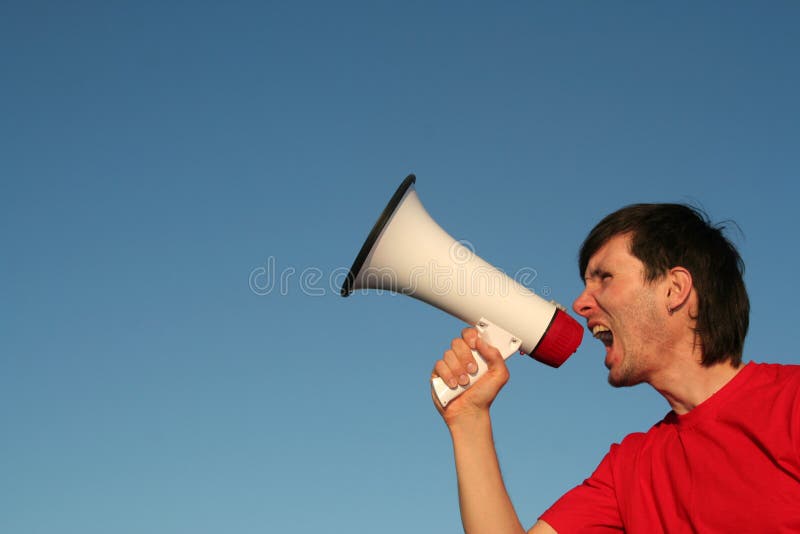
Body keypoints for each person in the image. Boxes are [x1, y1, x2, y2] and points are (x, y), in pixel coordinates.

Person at [431, 203, 800, 533]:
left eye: (604, 277)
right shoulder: (629, 469)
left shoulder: (791, 401)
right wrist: (469, 421)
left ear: (674, 289)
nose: (580, 303)